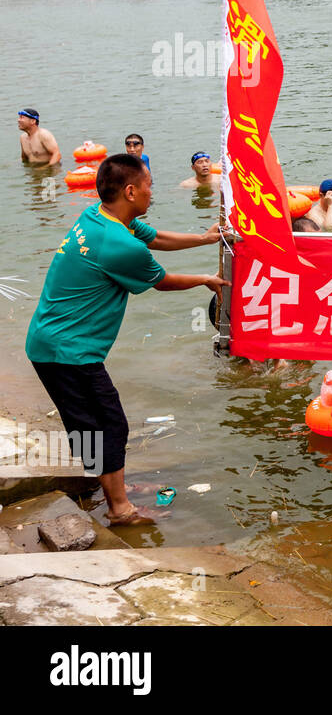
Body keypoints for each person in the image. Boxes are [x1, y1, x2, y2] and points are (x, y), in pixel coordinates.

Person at [25, 154, 229, 527]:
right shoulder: (121, 245)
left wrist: (205, 238)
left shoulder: (98, 217)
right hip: (68, 351)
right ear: (131, 190)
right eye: (149, 185)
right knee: (110, 423)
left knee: (88, 424)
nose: (152, 192)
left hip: (50, 341)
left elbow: (154, 238)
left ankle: (107, 485)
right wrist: (205, 278)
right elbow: (160, 279)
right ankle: (119, 508)